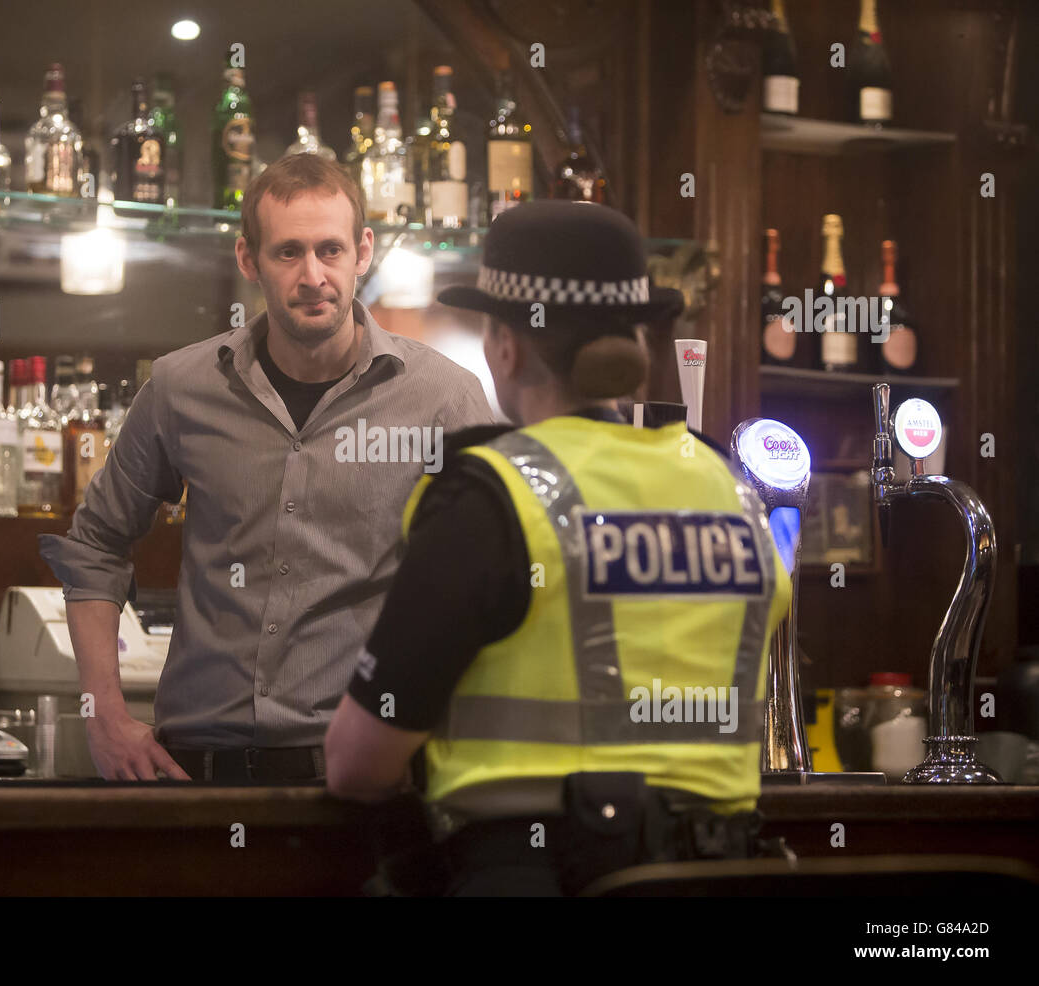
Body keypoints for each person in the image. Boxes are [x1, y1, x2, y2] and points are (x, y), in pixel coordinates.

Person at [324, 201, 792, 895]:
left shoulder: (491, 498)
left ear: (507, 346)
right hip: (721, 876)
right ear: (637, 338)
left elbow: (357, 765)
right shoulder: (736, 489)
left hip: (537, 876)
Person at [39, 153, 492, 783]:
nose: (314, 276)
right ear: (249, 260)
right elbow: (94, 544)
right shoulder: (182, 387)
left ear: (363, 252)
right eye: (288, 253)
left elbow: (486, 578)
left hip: (361, 781)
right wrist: (104, 714)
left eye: (330, 250)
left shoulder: (443, 397)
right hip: (196, 774)